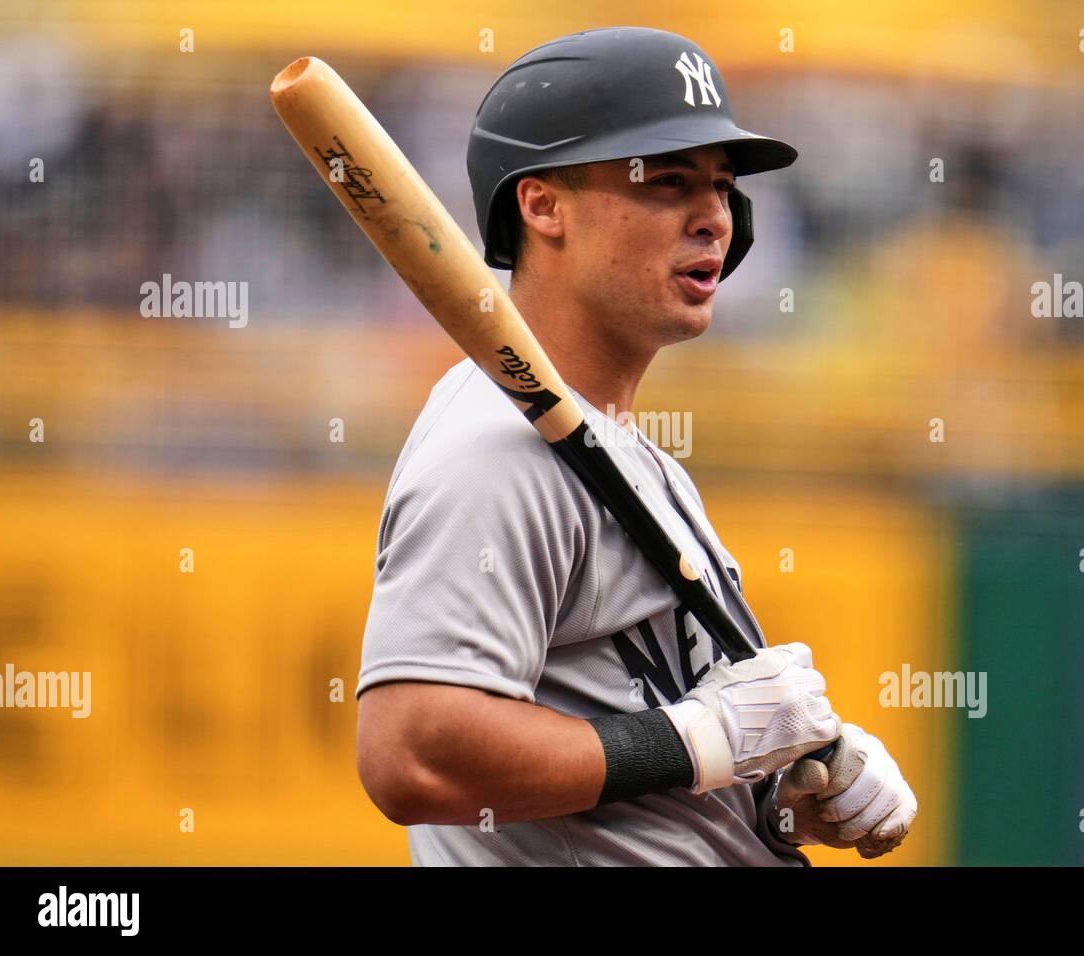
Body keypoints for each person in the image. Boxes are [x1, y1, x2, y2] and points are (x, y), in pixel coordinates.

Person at [355, 26, 917, 866]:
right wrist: (698, 741)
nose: (713, 219)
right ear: (542, 205)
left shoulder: (640, 462)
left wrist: (783, 794)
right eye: (666, 182)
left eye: (723, 188)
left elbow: (659, 756)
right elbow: (412, 754)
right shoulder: (494, 453)